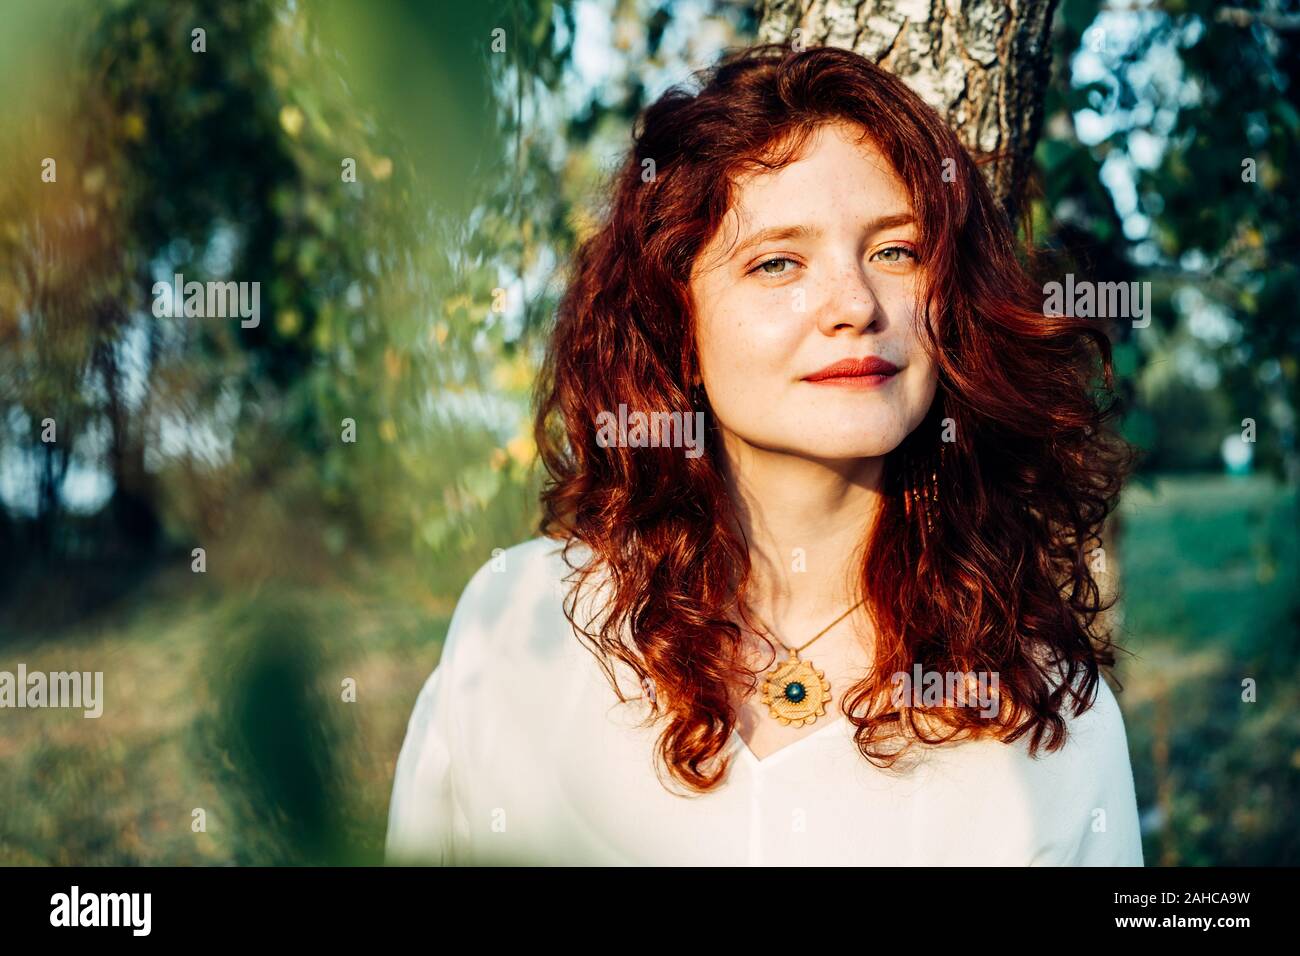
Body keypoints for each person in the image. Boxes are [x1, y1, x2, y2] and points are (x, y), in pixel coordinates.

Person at [385, 43, 1143, 866]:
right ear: (676, 327)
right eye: (777, 262)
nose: (855, 305)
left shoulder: (1046, 710)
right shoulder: (516, 630)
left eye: (896, 251)